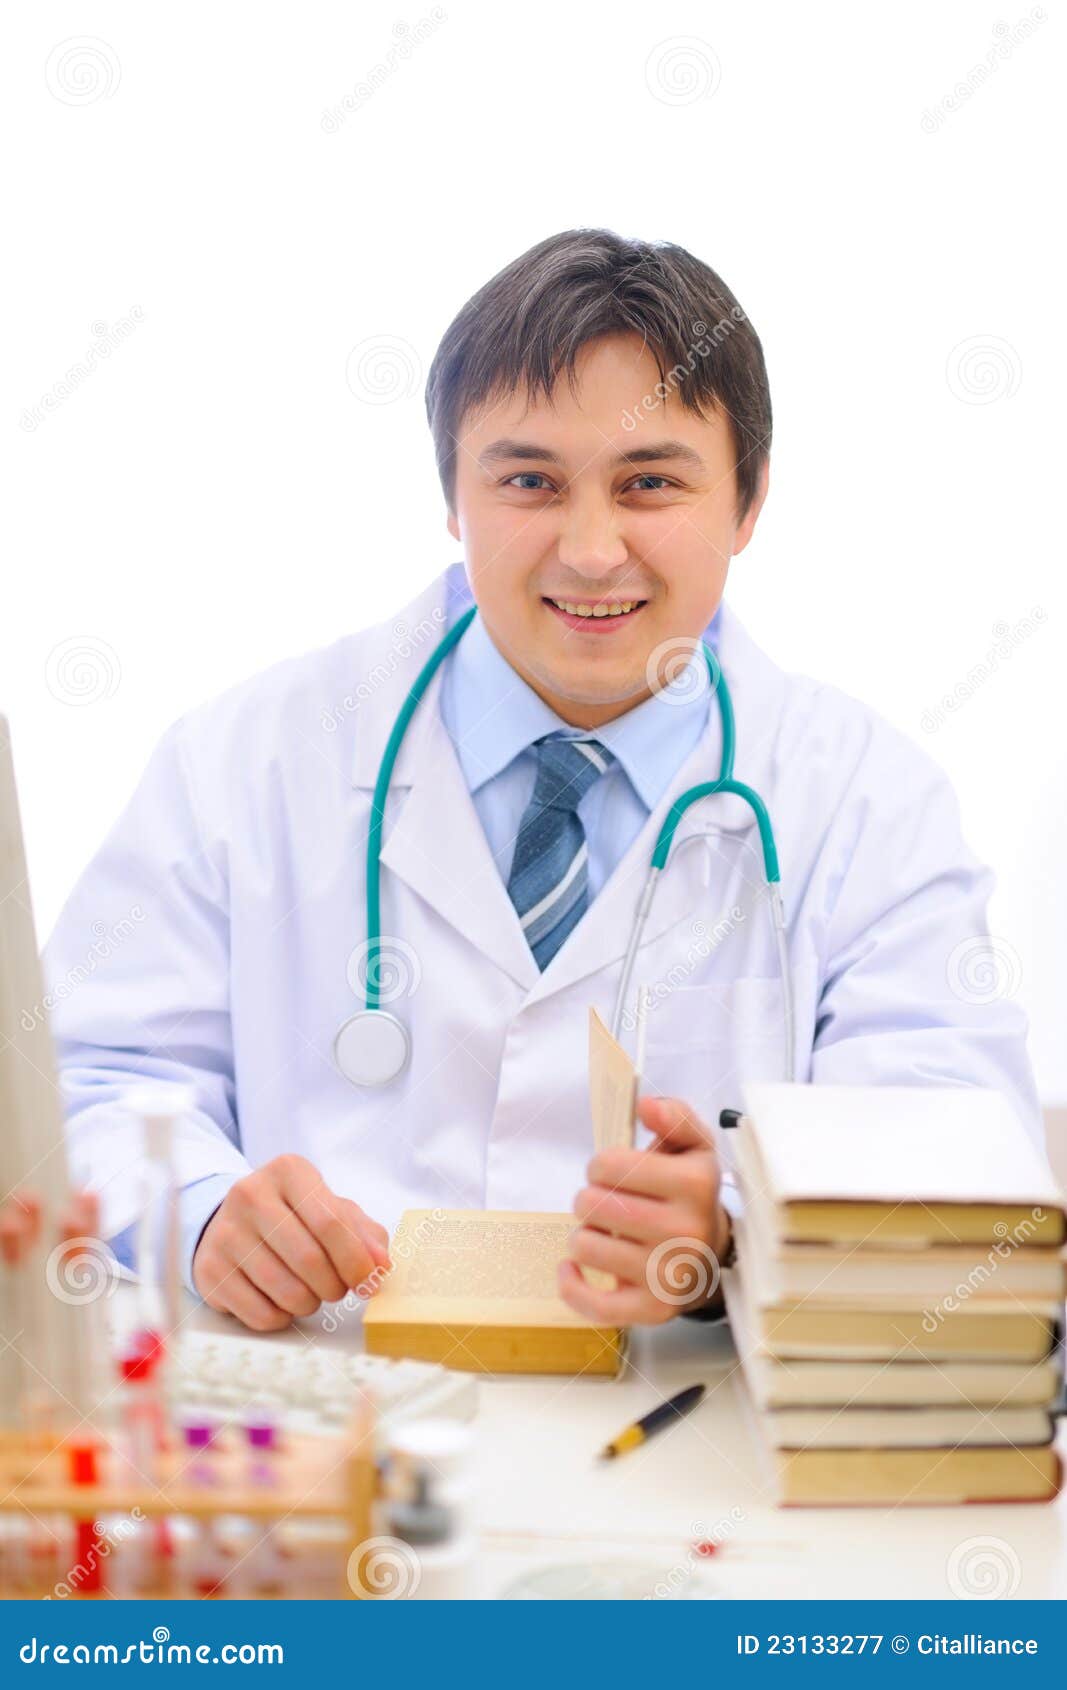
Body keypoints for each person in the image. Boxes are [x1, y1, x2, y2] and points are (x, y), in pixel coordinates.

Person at [43, 230, 1039, 1335]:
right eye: (528, 480)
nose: (591, 548)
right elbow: (82, 1078)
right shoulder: (247, 759)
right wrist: (197, 1210)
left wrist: (732, 1233)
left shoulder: (864, 802)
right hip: (332, 1409)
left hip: (684, 1438)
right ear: (452, 498)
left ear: (747, 503)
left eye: (648, 482)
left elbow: (949, 1154)